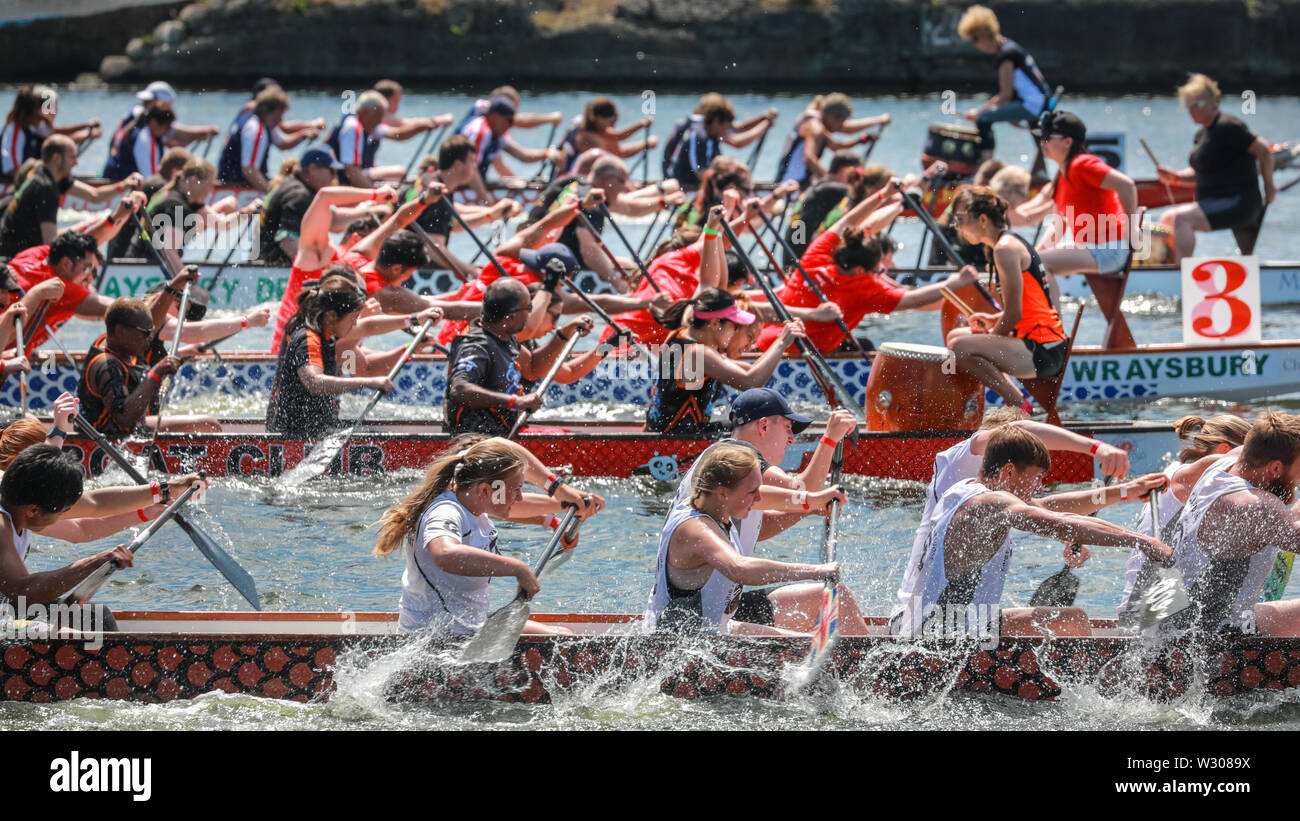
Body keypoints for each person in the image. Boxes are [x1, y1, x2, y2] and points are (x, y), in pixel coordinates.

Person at [890, 425, 1172, 639]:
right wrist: (1139, 540)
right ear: (1009, 471)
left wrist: (1127, 492)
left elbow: (1053, 507)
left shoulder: (964, 490)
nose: (1038, 487)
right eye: (1036, 478)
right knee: (1073, 622)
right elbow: (1057, 522)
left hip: (935, 625)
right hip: (939, 637)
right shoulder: (991, 503)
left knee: (1068, 620)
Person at [655, 388, 869, 633]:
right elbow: (804, 489)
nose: (792, 439)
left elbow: (759, 527)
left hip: (721, 612)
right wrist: (830, 438)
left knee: (837, 598)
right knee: (807, 646)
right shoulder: (731, 462)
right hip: (689, 635)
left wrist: (805, 510)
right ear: (764, 426)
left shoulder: (729, 481)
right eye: (789, 428)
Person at [646, 442, 850, 635]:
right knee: (805, 652)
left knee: (836, 606)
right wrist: (816, 571)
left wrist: (812, 501)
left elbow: (764, 494)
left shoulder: (718, 505)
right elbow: (739, 568)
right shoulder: (696, 529)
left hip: (716, 631)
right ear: (723, 493)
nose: (759, 500)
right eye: (752, 492)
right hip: (677, 648)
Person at [1126, 412, 1300, 637]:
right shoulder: (1254, 505)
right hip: (1202, 642)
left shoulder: (1220, 464)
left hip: (1162, 620)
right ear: (1276, 468)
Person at [374, 438, 571, 636]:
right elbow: (444, 554)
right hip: (433, 640)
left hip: (469, 629)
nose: (519, 497)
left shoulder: (473, 506)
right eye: (517, 489)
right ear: (485, 490)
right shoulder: (445, 511)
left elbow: (515, 507)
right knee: (563, 642)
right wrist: (517, 568)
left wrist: (556, 516)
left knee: (564, 634)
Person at [754, 180, 975, 353]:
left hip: (764, 339)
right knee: (866, 346)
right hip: (800, 352)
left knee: (863, 343)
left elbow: (850, 220)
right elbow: (914, 299)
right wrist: (957, 282)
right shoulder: (865, 288)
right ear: (861, 270)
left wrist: (883, 194)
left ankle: (899, 205)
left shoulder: (817, 254)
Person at [1115, 414, 1250, 624]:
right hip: (1146, 616)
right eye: (1252, 459)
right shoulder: (1185, 477)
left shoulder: (1205, 482)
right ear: (1225, 451)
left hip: (1166, 606)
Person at [945, 186, 1068, 409]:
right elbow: (1022, 309)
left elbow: (1014, 314)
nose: (957, 227)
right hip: (1038, 342)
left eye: (961, 219)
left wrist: (991, 337)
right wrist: (993, 322)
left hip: (1043, 350)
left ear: (983, 220)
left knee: (959, 348)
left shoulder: (1005, 249)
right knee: (956, 335)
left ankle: (1016, 404)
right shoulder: (1005, 244)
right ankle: (1013, 402)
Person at [0, 446, 134, 635]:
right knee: (56, 630)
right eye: (61, 512)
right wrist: (93, 562)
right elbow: (23, 590)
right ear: (33, 510)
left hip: (8, 610)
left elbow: (97, 502)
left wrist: (163, 492)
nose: (61, 518)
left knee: (95, 617)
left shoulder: (17, 513)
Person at [645, 287, 805, 435]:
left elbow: (745, 370)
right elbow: (750, 381)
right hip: (678, 444)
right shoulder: (698, 354)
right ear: (714, 324)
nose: (735, 331)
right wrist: (782, 342)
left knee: (747, 419)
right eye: (734, 326)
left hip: (661, 435)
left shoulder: (677, 336)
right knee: (759, 425)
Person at [444, 277, 592, 436]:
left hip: (502, 437)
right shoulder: (476, 345)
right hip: (473, 440)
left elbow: (534, 367)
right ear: (511, 316)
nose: (531, 314)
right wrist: (516, 402)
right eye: (529, 308)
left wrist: (565, 335)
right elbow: (459, 390)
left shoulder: (505, 337)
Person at [1156, 73, 1278, 262]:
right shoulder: (1201, 135)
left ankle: (1180, 274)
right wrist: (1175, 177)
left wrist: (1269, 186)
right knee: (1167, 218)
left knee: (1182, 219)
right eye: (1188, 107)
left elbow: (1264, 152)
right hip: (1214, 202)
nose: (1191, 111)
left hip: (1239, 202)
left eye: (1196, 105)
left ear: (1213, 104)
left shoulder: (1229, 126)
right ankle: (1170, 270)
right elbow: (1199, 173)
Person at [266, 271, 397, 439]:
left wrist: (413, 320)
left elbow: (368, 328)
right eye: (353, 318)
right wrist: (369, 383)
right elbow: (315, 383)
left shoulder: (329, 337)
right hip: (296, 438)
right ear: (332, 316)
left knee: (376, 434)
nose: (356, 324)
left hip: (318, 432)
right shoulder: (308, 339)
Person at [1013, 112, 1139, 278]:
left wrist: (1131, 231)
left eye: (1047, 138)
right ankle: (1048, 303)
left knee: (1038, 263)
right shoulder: (1063, 175)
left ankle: (1049, 304)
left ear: (1067, 142)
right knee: (1034, 261)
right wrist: (1036, 253)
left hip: (1109, 250)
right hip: (1094, 248)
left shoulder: (1082, 164)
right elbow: (1059, 225)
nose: (1042, 143)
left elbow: (1127, 185)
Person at [78, 293, 220, 436]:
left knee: (208, 423)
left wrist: (184, 353)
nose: (150, 338)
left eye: (151, 332)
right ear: (121, 331)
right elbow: (124, 420)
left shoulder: (119, 344)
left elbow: (155, 319)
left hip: (132, 429)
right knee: (209, 425)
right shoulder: (107, 365)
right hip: (109, 439)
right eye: (145, 333)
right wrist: (156, 374)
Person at [3, 226, 149, 355]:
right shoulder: (63, 289)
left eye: (94, 272)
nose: (90, 279)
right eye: (87, 269)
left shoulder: (39, 252)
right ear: (66, 264)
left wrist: (115, 217)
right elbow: (122, 310)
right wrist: (162, 299)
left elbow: (83, 242)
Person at [0, 135, 144, 258]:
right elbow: (50, 244)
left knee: (93, 224)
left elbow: (95, 196)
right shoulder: (45, 188)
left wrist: (125, 184)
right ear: (57, 158)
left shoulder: (45, 173)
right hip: (15, 258)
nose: (76, 163)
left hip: (17, 247)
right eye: (72, 157)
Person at [123, 158, 259, 273]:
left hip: (149, 264)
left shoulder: (187, 198)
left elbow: (221, 224)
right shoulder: (175, 204)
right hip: (143, 266)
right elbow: (170, 252)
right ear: (194, 181)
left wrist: (247, 211)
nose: (211, 190)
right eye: (209, 185)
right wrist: (188, 287)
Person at [957, 4, 1053, 157]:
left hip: (1033, 105)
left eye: (975, 39)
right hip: (1040, 101)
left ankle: (985, 164)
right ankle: (1040, 170)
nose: (975, 44)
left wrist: (978, 111)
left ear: (984, 35)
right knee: (987, 115)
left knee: (983, 119)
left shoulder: (1005, 57)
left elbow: (1005, 95)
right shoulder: (1010, 46)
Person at [325, 90, 447, 188]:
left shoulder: (370, 126)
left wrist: (424, 126)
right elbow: (352, 172)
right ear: (365, 112)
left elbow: (398, 135)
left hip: (352, 175)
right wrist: (375, 196)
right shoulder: (353, 127)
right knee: (399, 172)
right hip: (340, 179)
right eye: (378, 115)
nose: (380, 120)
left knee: (400, 174)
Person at [458, 95, 565, 202]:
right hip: (457, 188)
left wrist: (547, 153)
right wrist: (488, 204)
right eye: (509, 121)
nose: (511, 126)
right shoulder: (481, 132)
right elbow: (471, 171)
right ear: (495, 116)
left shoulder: (496, 134)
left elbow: (523, 156)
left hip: (470, 187)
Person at [215, 86, 320, 193]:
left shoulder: (264, 122)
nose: (281, 119)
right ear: (270, 110)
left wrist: (303, 135)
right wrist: (271, 196)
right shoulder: (256, 130)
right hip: (235, 184)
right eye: (281, 113)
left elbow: (282, 144)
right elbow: (249, 170)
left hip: (236, 180)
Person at [661, 93, 776, 190]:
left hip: (684, 179)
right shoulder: (699, 134)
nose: (727, 131)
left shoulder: (706, 125)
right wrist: (765, 125)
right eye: (726, 126)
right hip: (683, 185)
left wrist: (764, 117)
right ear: (716, 120)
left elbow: (739, 128)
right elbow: (702, 173)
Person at [776, 93, 890, 188]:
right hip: (792, 183)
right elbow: (809, 159)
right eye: (841, 122)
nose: (840, 128)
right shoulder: (815, 128)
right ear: (831, 116)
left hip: (794, 181)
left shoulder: (817, 124)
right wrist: (830, 180)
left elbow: (836, 147)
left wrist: (862, 139)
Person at [105, 147, 193, 260]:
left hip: (117, 248)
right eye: (186, 176)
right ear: (175, 172)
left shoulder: (151, 181)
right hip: (125, 254)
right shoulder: (160, 188)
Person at [1, 85, 100, 181]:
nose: (43, 118)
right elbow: (12, 169)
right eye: (44, 110)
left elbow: (56, 136)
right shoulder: (14, 131)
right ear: (31, 112)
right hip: (13, 187)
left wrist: (86, 131)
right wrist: (43, 181)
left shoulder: (33, 126)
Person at [783, 152, 868, 264]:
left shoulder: (818, 185)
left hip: (790, 255)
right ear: (845, 171)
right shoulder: (834, 190)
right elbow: (863, 198)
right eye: (857, 176)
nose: (857, 182)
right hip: (804, 258)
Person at [559, 97, 656, 172]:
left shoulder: (590, 128)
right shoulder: (589, 137)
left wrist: (641, 127)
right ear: (599, 117)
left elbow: (619, 136)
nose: (613, 125)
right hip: (572, 180)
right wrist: (645, 144)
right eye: (612, 122)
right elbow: (620, 152)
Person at [102, 100, 177, 182]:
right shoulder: (145, 139)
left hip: (113, 179)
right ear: (154, 123)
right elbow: (151, 180)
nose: (167, 132)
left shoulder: (140, 129)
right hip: (120, 186)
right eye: (167, 128)